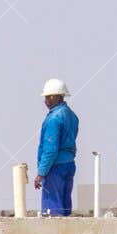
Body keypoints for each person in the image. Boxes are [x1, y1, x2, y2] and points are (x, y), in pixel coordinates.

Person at [33, 78, 78, 216]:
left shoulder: (54, 119)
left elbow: (50, 149)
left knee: (52, 209)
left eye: (47, 97)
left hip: (55, 167)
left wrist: (41, 173)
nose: (45, 101)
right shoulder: (72, 116)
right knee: (64, 205)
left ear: (56, 97)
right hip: (69, 164)